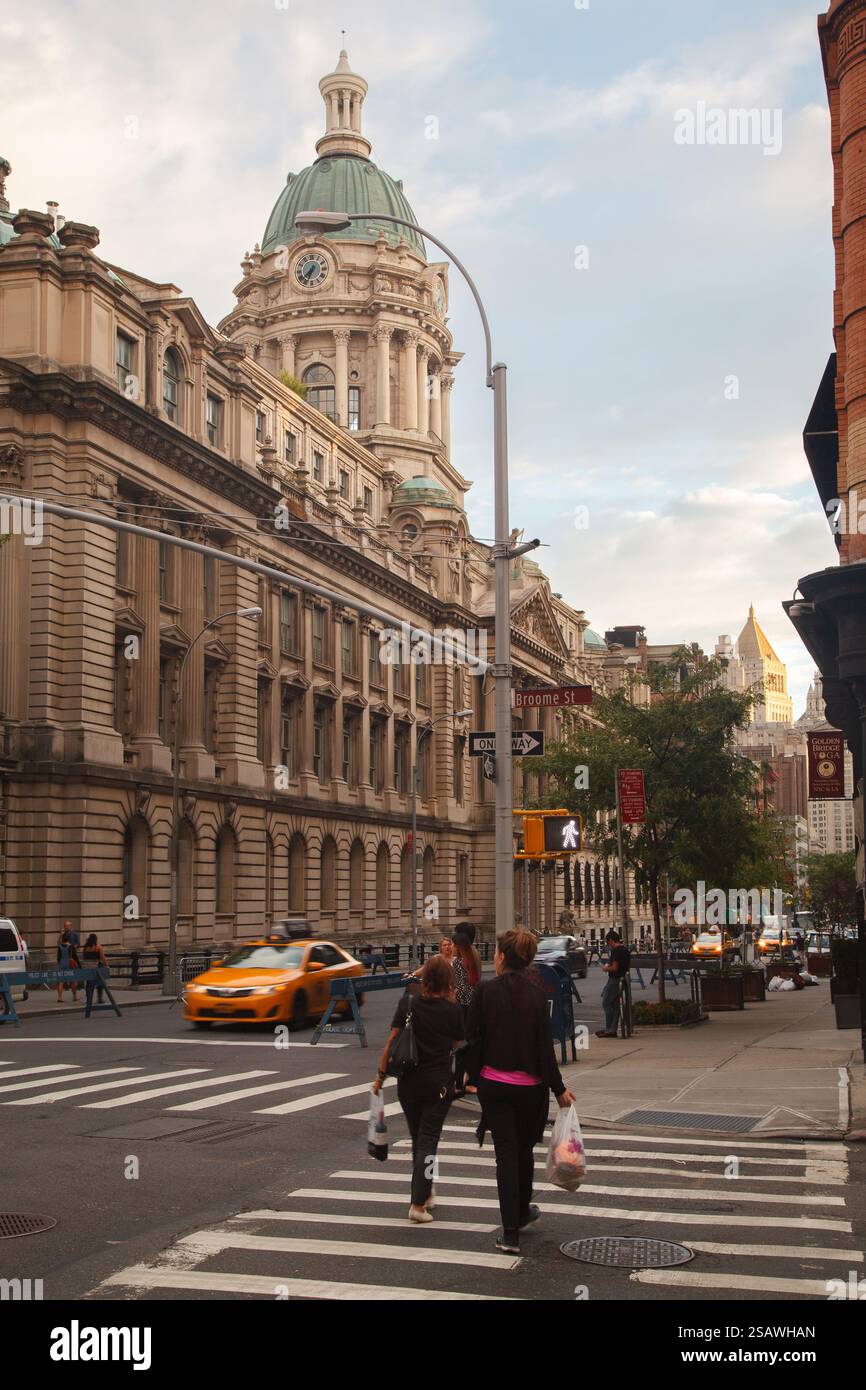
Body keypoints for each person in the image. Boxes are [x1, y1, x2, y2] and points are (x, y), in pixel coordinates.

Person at [466, 929, 576, 1254]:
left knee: (506, 1156)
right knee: (524, 1151)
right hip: (530, 1090)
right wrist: (559, 1090)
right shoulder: (537, 996)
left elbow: (471, 1038)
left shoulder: (484, 991)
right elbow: (545, 1050)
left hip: (494, 1086)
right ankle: (522, 1210)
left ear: (502, 957)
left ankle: (510, 1231)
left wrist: (472, 1077)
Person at [373, 955, 464, 1224]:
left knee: (419, 1139)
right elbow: (459, 1043)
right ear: (448, 981)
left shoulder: (408, 1004)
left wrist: (380, 1077)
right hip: (438, 1084)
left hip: (408, 1084)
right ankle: (418, 1204)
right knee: (428, 1141)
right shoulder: (453, 1011)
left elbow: (390, 1042)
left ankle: (426, 1191)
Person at [451, 927, 482, 1097]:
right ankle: (469, 1081)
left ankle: (459, 1084)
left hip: (463, 1008)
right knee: (471, 1046)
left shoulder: (458, 962)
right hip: (474, 1007)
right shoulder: (474, 955)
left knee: (461, 1048)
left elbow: (461, 989)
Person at [597, 929, 630, 1037]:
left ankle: (609, 1029)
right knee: (615, 1005)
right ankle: (613, 1029)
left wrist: (606, 968)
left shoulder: (616, 951)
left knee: (606, 1002)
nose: (608, 944)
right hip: (622, 979)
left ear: (611, 940)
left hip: (615, 979)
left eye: (607, 942)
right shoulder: (625, 950)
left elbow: (615, 968)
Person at [82, 933, 108, 1010]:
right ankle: (100, 998)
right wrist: (106, 965)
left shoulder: (85, 947)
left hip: (87, 967)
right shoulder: (98, 947)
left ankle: (88, 998)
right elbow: (103, 957)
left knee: (89, 983)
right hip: (96, 967)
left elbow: (84, 957)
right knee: (100, 982)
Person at [56, 926, 80, 1003]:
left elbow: (58, 957)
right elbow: (72, 956)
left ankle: (60, 997)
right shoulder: (70, 946)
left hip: (62, 963)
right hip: (69, 963)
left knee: (61, 981)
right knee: (72, 980)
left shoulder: (60, 947)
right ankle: (74, 996)